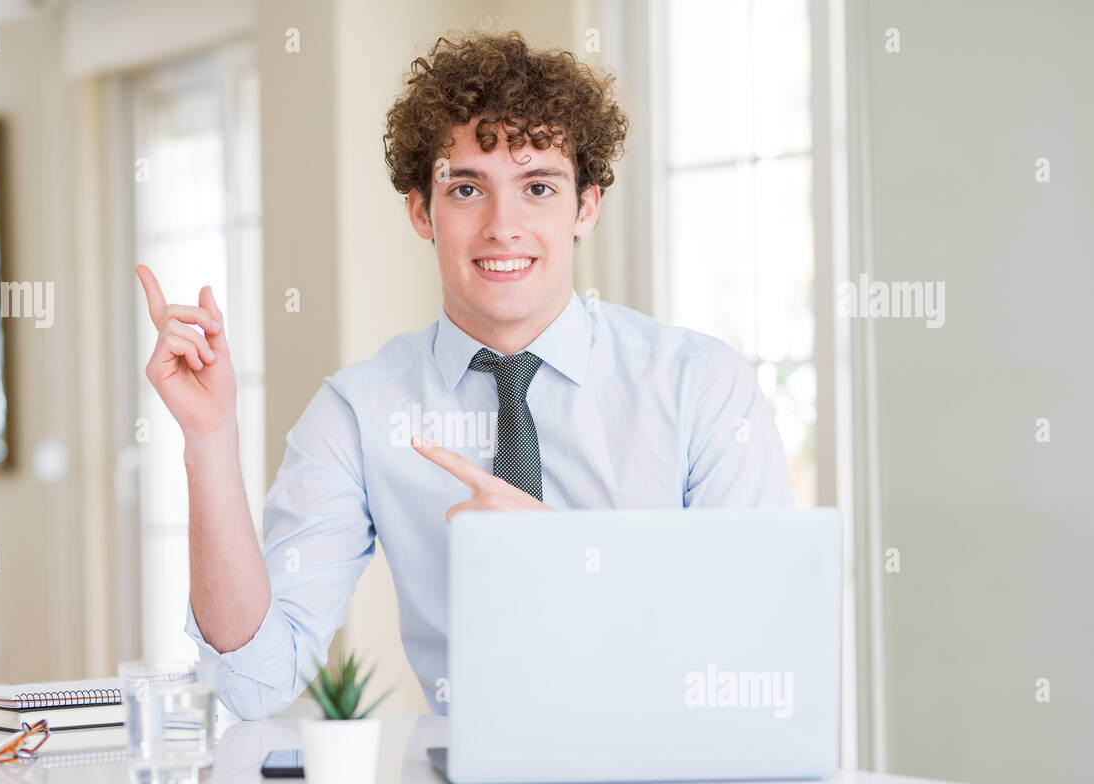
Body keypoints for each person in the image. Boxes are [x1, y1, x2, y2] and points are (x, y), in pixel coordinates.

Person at [135, 30, 792, 720]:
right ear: (422, 210)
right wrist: (208, 439)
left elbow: (757, 651)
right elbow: (252, 682)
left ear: (586, 206)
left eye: (538, 187)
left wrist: (571, 556)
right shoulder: (360, 414)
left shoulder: (702, 388)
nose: (502, 226)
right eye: (467, 188)